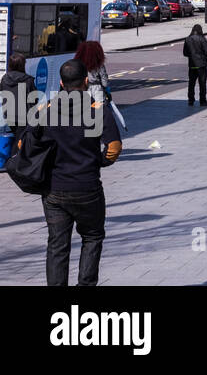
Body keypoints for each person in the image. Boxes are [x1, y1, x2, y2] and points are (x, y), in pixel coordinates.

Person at [40, 60, 122, 286]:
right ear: (86, 81)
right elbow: (114, 146)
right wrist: (100, 162)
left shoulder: (46, 110)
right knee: (92, 237)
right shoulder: (97, 110)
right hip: (87, 187)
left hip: (54, 189)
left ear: (61, 84)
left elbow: (24, 146)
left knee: (57, 244)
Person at [183, 24, 207, 107]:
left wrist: (192, 55)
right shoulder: (202, 39)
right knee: (202, 83)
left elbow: (185, 53)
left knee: (191, 83)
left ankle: (190, 100)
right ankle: (202, 101)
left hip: (192, 65)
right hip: (201, 65)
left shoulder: (188, 39)